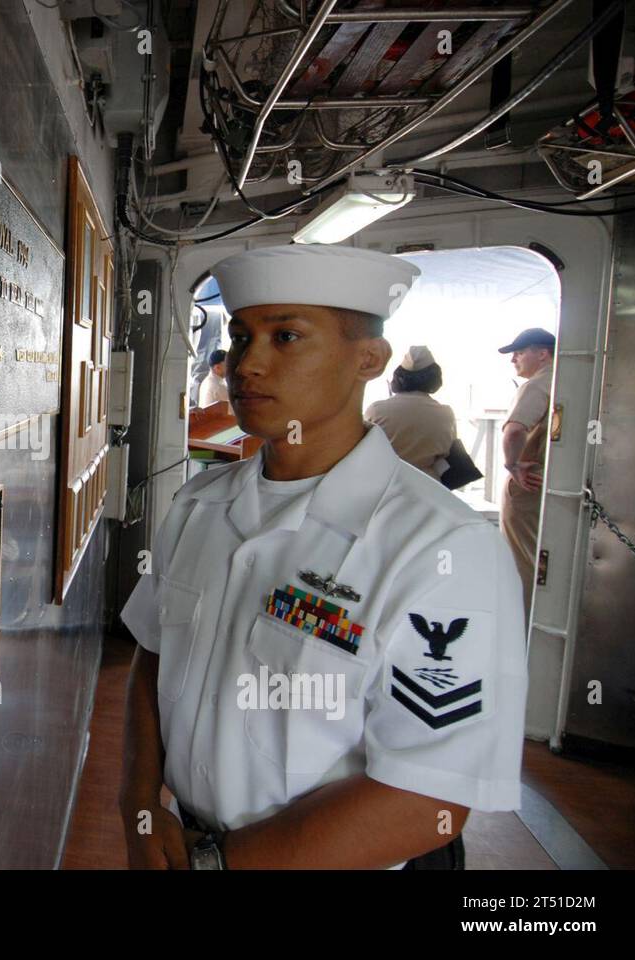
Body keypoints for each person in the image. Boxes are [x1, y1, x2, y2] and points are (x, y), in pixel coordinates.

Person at [118, 245, 527, 870]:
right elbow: (154, 656)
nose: (247, 364)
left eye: (287, 336)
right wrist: (140, 804)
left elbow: (426, 798)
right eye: (241, 335)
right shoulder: (198, 506)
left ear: (370, 360)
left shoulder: (441, 547)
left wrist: (219, 863)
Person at [497, 327, 555, 620]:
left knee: (520, 563)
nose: (514, 360)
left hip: (527, 485)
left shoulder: (537, 385)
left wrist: (512, 465)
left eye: (519, 353)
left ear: (542, 353)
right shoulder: (569, 383)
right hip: (550, 485)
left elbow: (514, 431)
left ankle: (520, 631)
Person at [364, 345, 457, 478]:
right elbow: (447, 452)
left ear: (397, 377)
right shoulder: (446, 413)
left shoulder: (376, 410)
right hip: (429, 487)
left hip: (385, 483)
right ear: (435, 378)